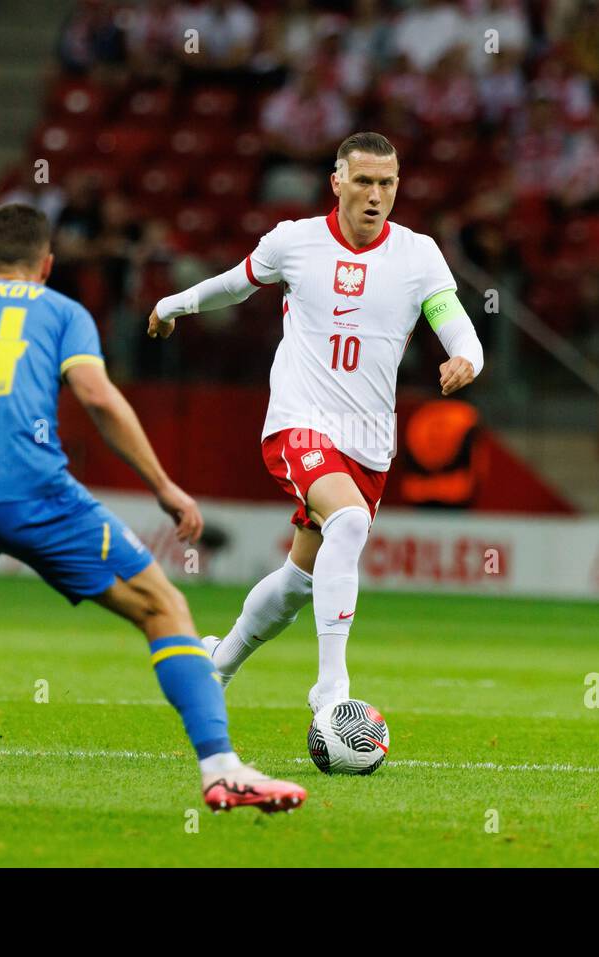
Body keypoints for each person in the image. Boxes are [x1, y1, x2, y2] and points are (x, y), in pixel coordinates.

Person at [0, 203, 305, 814]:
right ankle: (222, 769)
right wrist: (163, 486)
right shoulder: (62, 311)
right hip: (32, 488)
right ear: (46, 265)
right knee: (162, 605)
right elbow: (95, 395)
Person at [146, 131, 484, 714]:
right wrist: (175, 304)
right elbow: (236, 283)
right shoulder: (294, 242)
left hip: (369, 444)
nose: (375, 195)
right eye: (363, 182)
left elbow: (452, 320)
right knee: (348, 523)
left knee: (299, 582)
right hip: (298, 422)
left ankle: (217, 663)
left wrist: (466, 357)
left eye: (387, 183)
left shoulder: (417, 254)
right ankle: (332, 692)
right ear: (337, 183)